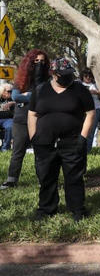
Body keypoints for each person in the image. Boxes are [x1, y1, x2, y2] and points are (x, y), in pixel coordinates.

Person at [29, 57, 95, 221]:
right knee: (46, 176)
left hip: (72, 142)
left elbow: (90, 113)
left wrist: (83, 137)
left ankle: (77, 209)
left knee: (74, 177)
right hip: (45, 142)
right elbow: (32, 114)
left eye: (69, 74)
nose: (67, 77)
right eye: (63, 74)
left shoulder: (80, 89)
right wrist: (34, 136)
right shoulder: (41, 90)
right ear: (54, 74)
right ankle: (46, 209)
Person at [1, 50, 50, 189]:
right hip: (21, 119)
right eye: (36, 61)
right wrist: (34, 96)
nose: (39, 64)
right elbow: (16, 97)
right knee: (18, 150)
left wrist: (28, 95)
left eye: (42, 61)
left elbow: (46, 96)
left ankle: (43, 181)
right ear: (30, 62)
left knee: (40, 151)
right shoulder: (21, 79)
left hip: (40, 119)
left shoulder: (47, 80)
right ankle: (11, 180)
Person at [79, 69, 100, 152]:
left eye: (90, 76)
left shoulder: (96, 85)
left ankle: (88, 150)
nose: (88, 78)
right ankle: (80, 148)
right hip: (82, 110)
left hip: (96, 109)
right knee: (81, 130)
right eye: (86, 76)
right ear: (82, 76)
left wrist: (96, 92)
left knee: (91, 130)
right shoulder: (79, 84)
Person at [0, 83, 14, 151]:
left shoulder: (13, 99)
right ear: (2, 90)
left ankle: (5, 148)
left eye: (11, 91)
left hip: (7, 119)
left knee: (9, 127)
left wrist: (12, 103)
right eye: (9, 91)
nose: (10, 93)